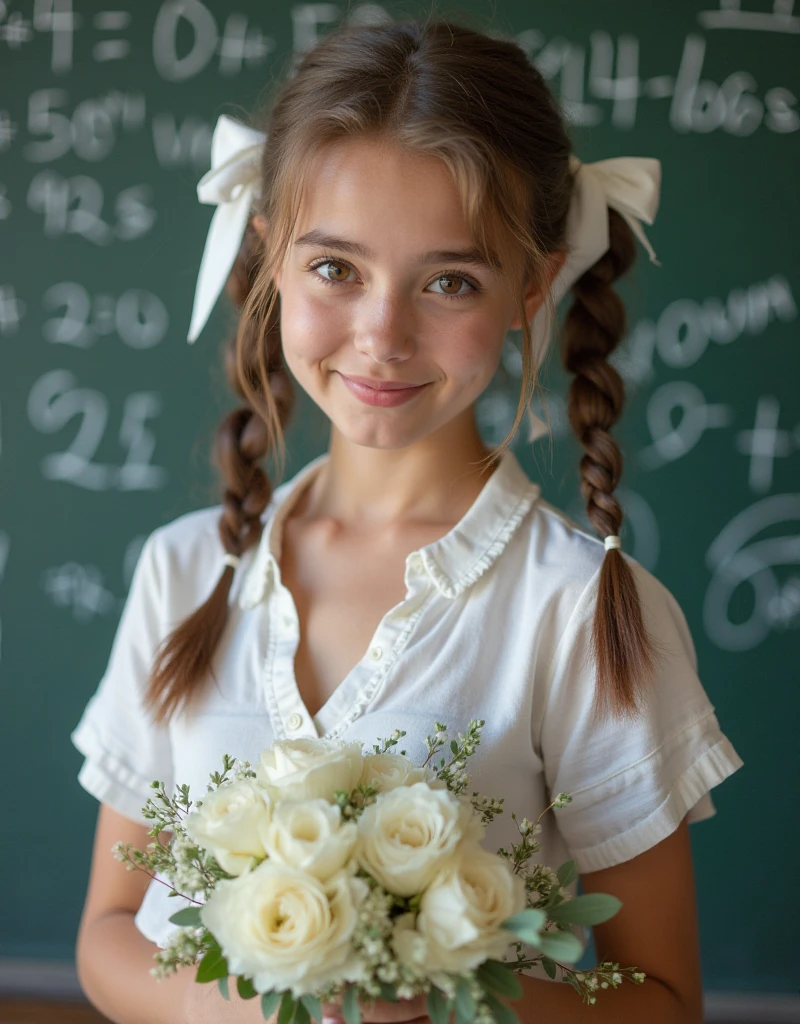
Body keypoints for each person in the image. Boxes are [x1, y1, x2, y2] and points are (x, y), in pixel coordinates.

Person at [71, 15, 743, 1024]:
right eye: (335, 269)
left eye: (447, 282)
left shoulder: (581, 612)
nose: (380, 335)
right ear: (270, 262)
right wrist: (258, 1011)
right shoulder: (185, 571)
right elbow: (110, 928)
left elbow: (659, 995)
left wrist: (437, 1007)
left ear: (531, 287)